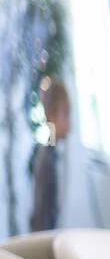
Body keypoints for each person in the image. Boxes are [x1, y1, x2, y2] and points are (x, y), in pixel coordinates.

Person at [29, 79, 71, 232]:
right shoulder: (46, 161)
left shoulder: (57, 155)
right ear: (52, 117)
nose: (70, 123)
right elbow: (41, 216)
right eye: (66, 115)